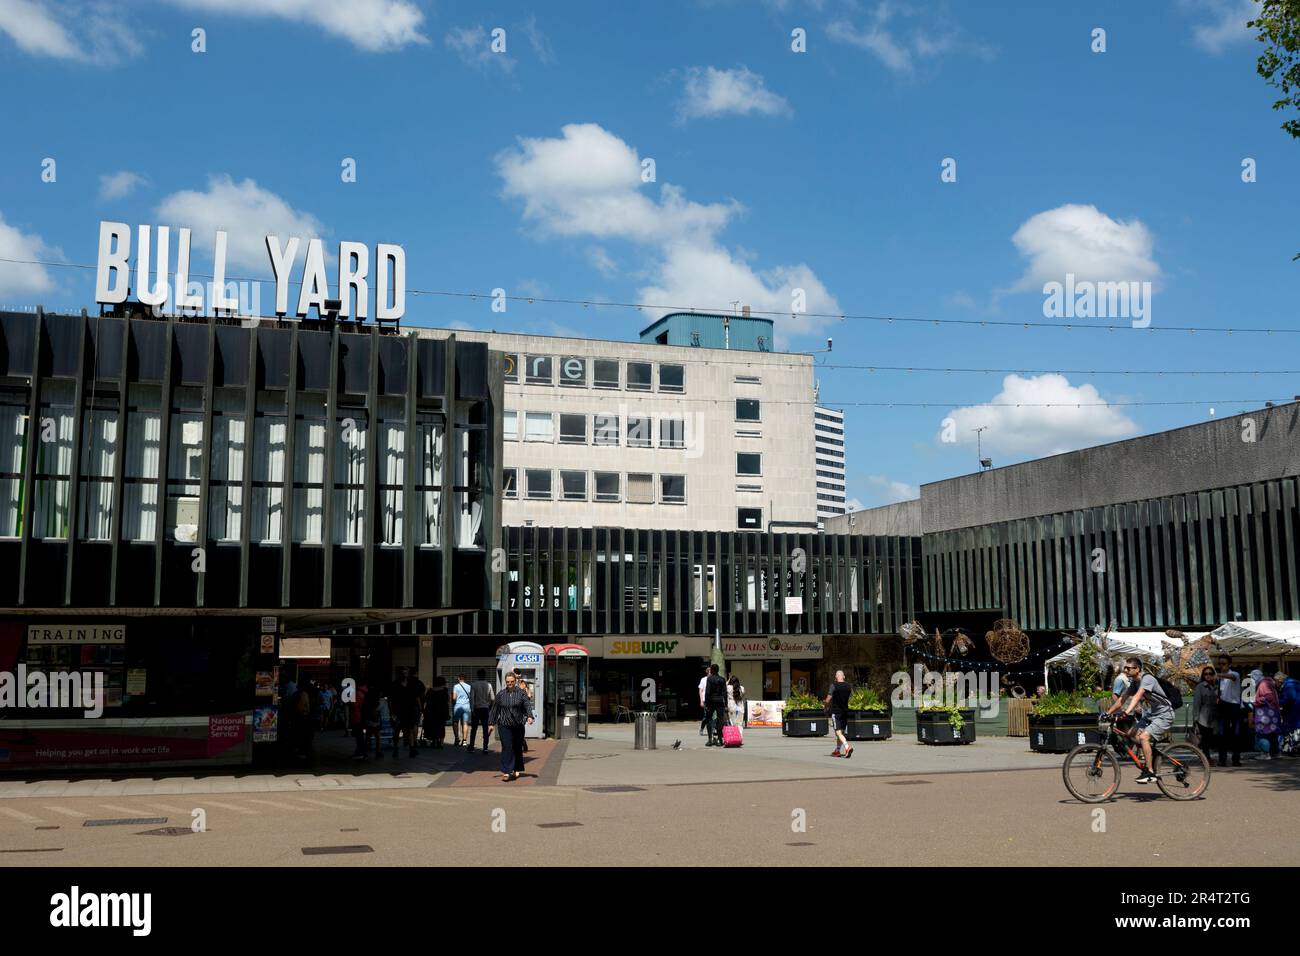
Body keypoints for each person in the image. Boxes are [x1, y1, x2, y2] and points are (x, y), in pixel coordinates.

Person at [1103, 658, 1174, 784]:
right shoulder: (1134, 683)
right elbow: (1121, 700)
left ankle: (1150, 772)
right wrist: (1107, 713)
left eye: (1129, 668)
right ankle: (1150, 756)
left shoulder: (1147, 679)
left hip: (1165, 714)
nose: (1126, 670)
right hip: (1153, 714)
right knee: (1130, 733)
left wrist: (1126, 712)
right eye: (1125, 667)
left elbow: (1137, 696)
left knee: (1143, 737)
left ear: (1137, 669)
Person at [488, 670, 535, 781]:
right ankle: (506, 771)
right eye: (508, 682)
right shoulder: (501, 694)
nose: (510, 683)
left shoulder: (521, 693)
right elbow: (495, 709)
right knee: (507, 746)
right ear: (505, 682)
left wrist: (530, 716)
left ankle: (516, 768)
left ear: (515, 681)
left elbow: (527, 705)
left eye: (512, 681)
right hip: (504, 725)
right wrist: (491, 723)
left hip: (518, 724)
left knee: (517, 747)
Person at [1216, 655, 1243, 767]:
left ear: (1229, 664)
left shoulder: (1235, 674)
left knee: (1236, 733)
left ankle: (1236, 759)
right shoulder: (1219, 679)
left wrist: (1216, 675)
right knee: (1222, 733)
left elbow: (1232, 677)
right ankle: (1222, 759)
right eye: (1220, 664)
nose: (1221, 666)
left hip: (1234, 705)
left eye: (1224, 664)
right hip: (1223, 705)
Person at [1251, 668, 1281, 760]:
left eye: (1252, 677)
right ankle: (1275, 753)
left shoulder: (1263, 684)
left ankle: (1265, 753)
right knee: (1272, 733)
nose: (1251, 679)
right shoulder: (1269, 682)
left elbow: (1268, 696)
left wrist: (1256, 701)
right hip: (1272, 713)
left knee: (1263, 733)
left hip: (1265, 714)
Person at [1192, 666, 1219, 764]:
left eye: (1210, 674)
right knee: (1205, 739)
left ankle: (1206, 757)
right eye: (1206, 674)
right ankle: (1206, 758)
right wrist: (1195, 718)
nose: (1208, 676)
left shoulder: (1217, 686)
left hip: (1214, 716)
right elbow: (1196, 703)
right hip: (1203, 716)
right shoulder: (1200, 687)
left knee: (1211, 738)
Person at [824, 670, 854, 759]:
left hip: (836, 712)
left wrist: (825, 706)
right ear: (844, 677)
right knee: (842, 733)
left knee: (838, 732)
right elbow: (851, 697)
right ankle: (837, 750)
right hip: (845, 711)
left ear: (836, 677)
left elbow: (828, 699)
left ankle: (847, 747)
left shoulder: (834, 686)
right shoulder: (849, 686)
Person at [468, 668, 495, 753]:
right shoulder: (489, 685)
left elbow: (472, 698)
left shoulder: (473, 685)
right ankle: (485, 748)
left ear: (478, 675)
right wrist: (489, 706)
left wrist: (472, 709)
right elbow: (493, 698)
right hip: (485, 708)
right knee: (485, 728)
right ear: (485, 675)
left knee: (474, 729)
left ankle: (472, 747)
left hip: (476, 708)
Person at [702, 664, 728, 747]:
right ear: (718, 670)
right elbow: (725, 693)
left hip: (711, 701)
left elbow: (707, 692)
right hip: (720, 701)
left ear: (712, 670)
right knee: (720, 720)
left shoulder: (710, 679)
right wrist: (726, 704)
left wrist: (706, 702)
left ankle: (710, 739)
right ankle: (720, 739)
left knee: (709, 719)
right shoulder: (722, 679)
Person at [423, 677, 448, 748]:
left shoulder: (430, 690)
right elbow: (446, 702)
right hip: (441, 711)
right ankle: (441, 743)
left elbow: (425, 700)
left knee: (433, 726)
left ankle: (434, 740)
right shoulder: (444, 691)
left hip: (431, 711)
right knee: (441, 727)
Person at [512, 669, 533, 752]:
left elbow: (529, 697)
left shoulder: (522, 684)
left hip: (522, 712)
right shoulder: (515, 683)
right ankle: (521, 743)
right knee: (516, 729)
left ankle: (521, 743)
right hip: (516, 710)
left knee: (519, 728)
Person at [450, 673, 472, 746]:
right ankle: (465, 741)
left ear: (459, 678)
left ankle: (457, 738)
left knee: (455, 722)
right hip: (466, 706)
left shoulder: (456, 686)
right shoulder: (469, 686)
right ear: (464, 678)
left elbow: (454, 698)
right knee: (465, 723)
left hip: (458, 706)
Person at [698, 667, 711, 737]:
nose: (711, 673)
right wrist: (701, 701)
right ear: (707, 672)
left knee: (713, 716)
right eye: (710, 672)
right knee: (706, 716)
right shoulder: (703, 680)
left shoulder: (713, 679)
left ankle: (713, 729)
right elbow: (700, 690)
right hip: (705, 700)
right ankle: (702, 728)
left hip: (712, 700)